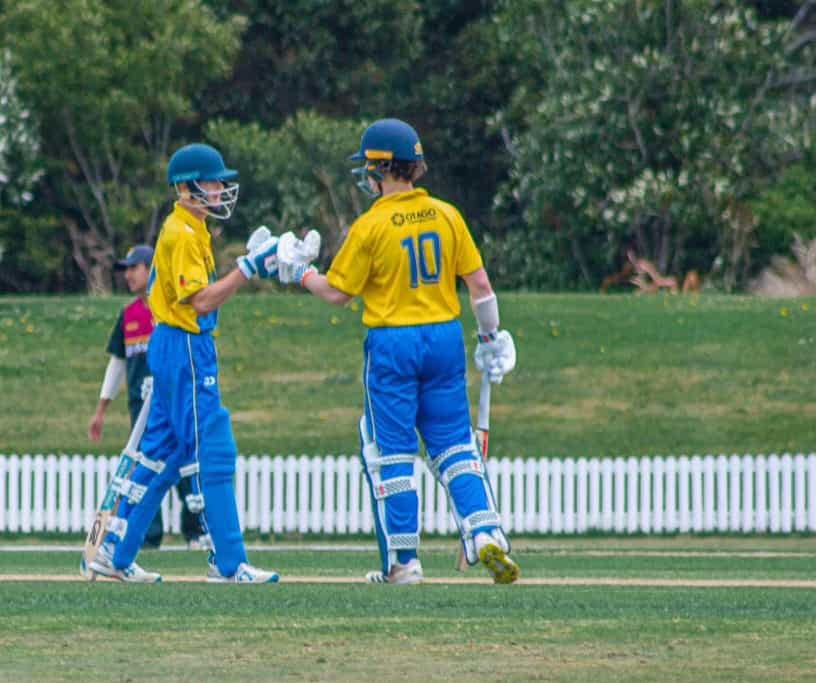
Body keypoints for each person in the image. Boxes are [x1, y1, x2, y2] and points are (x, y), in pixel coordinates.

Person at [279, 118, 520, 585]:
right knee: (454, 446)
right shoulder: (447, 215)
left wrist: (298, 273)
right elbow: (480, 285)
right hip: (444, 338)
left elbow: (338, 293)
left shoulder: (370, 226)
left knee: (389, 453)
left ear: (384, 169)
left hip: (393, 343)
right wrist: (491, 338)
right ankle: (485, 531)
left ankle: (404, 562)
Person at [86, 142, 280, 583]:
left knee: (164, 452)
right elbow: (200, 300)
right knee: (213, 445)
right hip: (187, 346)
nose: (219, 189)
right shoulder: (183, 233)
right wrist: (248, 268)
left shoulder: (190, 229)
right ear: (188, 187)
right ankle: (228, 563)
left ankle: (115, 552)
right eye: (212, 182)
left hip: (176, 344)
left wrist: (249, 266)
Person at [87, 244, 207, 552]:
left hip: (175, 403)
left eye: (133, 267)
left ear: (151, 268)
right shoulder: (128, 315)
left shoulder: (172, 309)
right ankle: (145, 536)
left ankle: (196, 531)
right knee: (143, 471)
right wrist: (101, 410)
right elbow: (118, 363)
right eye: (125, 269)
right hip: (141, 411)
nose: (128, 275)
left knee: (184, 464)